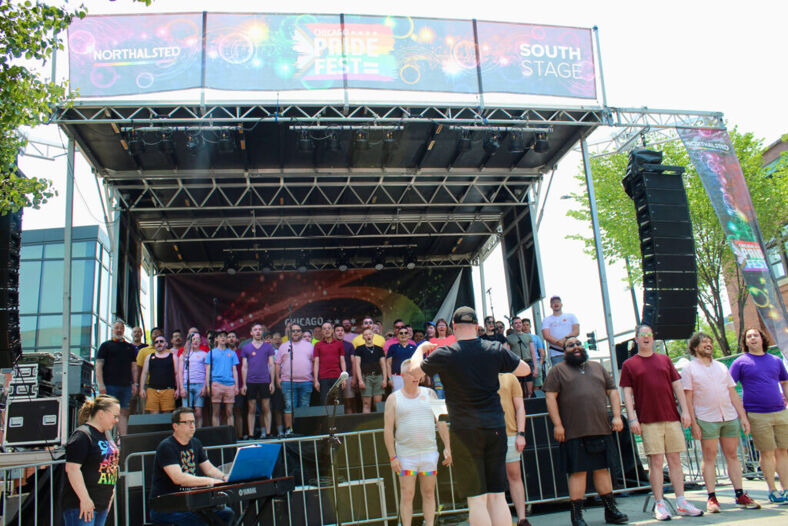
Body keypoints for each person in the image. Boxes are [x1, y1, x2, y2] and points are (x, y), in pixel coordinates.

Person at [410, 306, 531, 526]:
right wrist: (497, 365)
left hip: (465, 431)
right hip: (494, 426)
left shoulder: (444, 353)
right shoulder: (494, 348)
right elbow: (524, 370)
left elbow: (414, 372)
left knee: (476, 499)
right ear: (476, 326)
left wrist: (420, 349)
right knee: (497, 496)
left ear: (453, 327)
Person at [620, 324, 702, 520]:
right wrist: (632, 418)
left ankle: (681, 501)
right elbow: (627, 393)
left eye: (650, 334)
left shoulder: (665, 360)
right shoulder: (629, 365)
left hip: (672, 418)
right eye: (643, 335)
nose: (647, 337)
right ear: (636, 339)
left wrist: (685, 412)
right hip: (648, 421)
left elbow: (677, 386)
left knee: (675, 460)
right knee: (656, 462)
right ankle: (659, 503)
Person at [544, 337, 628, 526]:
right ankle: (577, 516)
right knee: (578, 472)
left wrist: (616, 415)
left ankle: (611, 511)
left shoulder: (597, 367)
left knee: (602, 470)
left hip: (600, 428)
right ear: (564, 351)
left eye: (578, 343)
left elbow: (613, 391)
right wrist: (558, 425)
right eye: (570, 345)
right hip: (573, 431)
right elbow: (550, 398)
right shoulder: (557, 371)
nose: (576, 347)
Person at [681, 332, 760, 512]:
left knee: (733, 455)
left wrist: (743, 417)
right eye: (703, 342)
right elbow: (688, 398)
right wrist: (694, 423)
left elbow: (732, 393)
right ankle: (712, 497)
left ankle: (740, 494)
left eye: (710, 342)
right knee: (709, 457)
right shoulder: (689, 369)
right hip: (706, 418)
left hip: (729, 416)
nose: (708, 345)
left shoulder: (721, 367)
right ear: (695, 347)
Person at [384, 359, 452, 526]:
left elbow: (442, 422)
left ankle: (429, 523)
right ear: (402, 375)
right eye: (411, 373)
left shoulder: (431, 394)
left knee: (429, 493)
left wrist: (448, 448)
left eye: (417, 373)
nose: (415, 377)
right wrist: (393, 457)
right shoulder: (393, 399)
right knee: (407, 494)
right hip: (406, 456)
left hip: (429, 454)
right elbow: (387, 430)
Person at [730, 327, 788, 503]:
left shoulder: (776, 361)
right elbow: (730, 388)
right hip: (757, 414)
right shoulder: (740, 362)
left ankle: (786, 489)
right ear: (745, 342)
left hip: (780, 412)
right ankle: (772, 490)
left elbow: (785, 382)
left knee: (783, 452)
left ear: (762, 339)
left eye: (755, 335)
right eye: (749, 336)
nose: (753, 338)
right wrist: (743, 416)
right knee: (767, 452)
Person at [148, 407, 234, 526]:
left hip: (190, 504)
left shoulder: (196, 443)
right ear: (175, 426)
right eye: (187, 422)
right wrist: (211, 481)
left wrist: (224, 477)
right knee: (200, 521)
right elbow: (179, 478)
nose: (192, 425)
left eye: (193, 422)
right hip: (166, 507)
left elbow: (209, 469)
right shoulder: (166, 446)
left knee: (226, 514)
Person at [62, 395, 121, 526]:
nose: (116, 420)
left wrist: (109, 498)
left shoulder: (105, 435)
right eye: (114, 416)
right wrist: (85, 499)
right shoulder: (82, 435)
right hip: (82, 506)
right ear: (101, 414)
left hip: (101, 504)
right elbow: (72, 468)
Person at [497, 372, 530, 526]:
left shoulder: (509, 377)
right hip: (487, 435)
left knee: (514, 476)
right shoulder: (478, 373)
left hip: (510, 433)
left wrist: (521, 433)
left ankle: (522, 519)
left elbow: (520, 407)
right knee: (494, 480)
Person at [95, 320, 138, 436]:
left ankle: (123, 442)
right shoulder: (105, 346)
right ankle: (108, 441)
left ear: (124, 330)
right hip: (109, 385)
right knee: (107, 412)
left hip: (125, 386)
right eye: (117, 328)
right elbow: (98, 365)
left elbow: (134, 367)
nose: (119, 330)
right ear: (112, 329)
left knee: (123, 413)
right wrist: (101, 384)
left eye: (121, 328)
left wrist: (135, 384)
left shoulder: (129, 347)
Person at [275, 323, 314, 433]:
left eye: (298, 330)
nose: (296, 333)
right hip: (287, 382)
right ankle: (289, 430)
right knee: (289, 407)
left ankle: (303, 430)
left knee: (304, 408)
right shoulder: (283, 346)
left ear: (301, 332)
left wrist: (315, 378)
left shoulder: (309, 346)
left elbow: (315, 362)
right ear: (289, 333)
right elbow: (277, 363)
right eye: (293, 331)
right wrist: (277, 378)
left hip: (306, 382)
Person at [241, 322, 276, 439]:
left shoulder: (268, 347)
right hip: (251, 381)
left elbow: (271, 365)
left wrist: (272, 382)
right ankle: (251, 434)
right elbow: (244, 367)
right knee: (252, 408)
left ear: (262, 332)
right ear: (251, 332)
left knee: (266, 407)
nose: (258, 331)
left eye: (260, 330)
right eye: (255, 330)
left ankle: (268, 432)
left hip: (264, 381)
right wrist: (244, 384)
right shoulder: (246, 348)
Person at [205, 330, 240, 427]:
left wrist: (236, 386)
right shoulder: (211, 353)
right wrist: (208, 386)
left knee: (229, 412)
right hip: (216, 384)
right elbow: (207, 370)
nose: (223, 338)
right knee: (216, 412)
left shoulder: (232, 353)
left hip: (230, 384)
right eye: (220, 336)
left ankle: (231, 435)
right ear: (216, 339)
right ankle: (216, 435)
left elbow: (235, 371)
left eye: (225, 336)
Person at [139, 335, 179, 414]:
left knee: (167, 416)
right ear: (154, 345)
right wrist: (141, 389)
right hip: (152, 390)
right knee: (153, 417)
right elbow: (144, 373)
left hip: (168, 390)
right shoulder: (149, 357)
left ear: (166, 344)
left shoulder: (173, 356)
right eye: (156, 342)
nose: (159, 343)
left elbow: (177, 373)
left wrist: (178, 389)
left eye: (161, 341)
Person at [313, 321, 347, 405]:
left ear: (332, 330)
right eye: (324, 329)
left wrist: (344, 378)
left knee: (338, 403)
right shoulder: (318, 345)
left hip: (337, 377)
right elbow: (316, 363)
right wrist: (316, 380)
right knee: (325, 403)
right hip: (323, 378)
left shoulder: (339, 344)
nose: (327, 330)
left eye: (329, 328)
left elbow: (342, 361)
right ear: (322, 332)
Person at [178, 332, 207, 427]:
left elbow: (207, 372)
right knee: (186, 411)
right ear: (189, 341)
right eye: (193, 339)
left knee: (198, 412)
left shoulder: (204, 354)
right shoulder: (184, 355)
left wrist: (204, 386)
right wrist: (181, 388)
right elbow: (180, 372)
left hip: (200, 384)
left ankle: (199, 433)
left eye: (198, 339)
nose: (195, 341)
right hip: (187, 384)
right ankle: (187, 431)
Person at [355, 327, 387, 413]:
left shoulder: (379, 349)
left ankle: (379, 424)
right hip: (366, 377)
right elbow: (357, 365)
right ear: (363, 337)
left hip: (378, 377)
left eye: (369, 334)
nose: (368, 336)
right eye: (365, 335)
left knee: (378, 404)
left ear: (373, 335)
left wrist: (384, 379)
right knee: (366, 404)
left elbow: (383, 365)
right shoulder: (359, 349)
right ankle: (366, 425)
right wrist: (360, 380)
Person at [541, 296, 579, 366]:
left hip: (572, 351)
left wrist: (566, 341)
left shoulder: (571, 316)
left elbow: (576, 331)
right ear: (550, 306)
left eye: (558, 302)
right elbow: (546, 336)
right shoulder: (547, 320)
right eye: (553, 303)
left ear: (561, 304)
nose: (556, 304)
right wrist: (561, 344)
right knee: (560, 375)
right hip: (556, 353)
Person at [507, 317, 538, 398]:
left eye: (520, 323)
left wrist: (535, 368)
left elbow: (533, 352)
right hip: (517, 364)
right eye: (516, 323)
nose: (518, 325)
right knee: (519, 391)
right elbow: (508, 354)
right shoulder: (509, 338)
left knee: (529, 390)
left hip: (528, 363)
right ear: (512, 325)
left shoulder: (528, 336)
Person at [335, 324, 358, 414]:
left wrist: (354, 378)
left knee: (349, 403)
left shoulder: (349, 345)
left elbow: (353, 362)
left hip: (348, 376)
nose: (340, 332)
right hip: (335, 377)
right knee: (337, 404)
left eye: (342, 330)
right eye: (337, 330)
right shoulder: (332, 345)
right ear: (334, 332)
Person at [227, 330, 246, 439]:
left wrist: (243, 385)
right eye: (229, 337)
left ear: (237, 339)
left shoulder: (241, 352)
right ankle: (229, 436)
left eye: (233, 337)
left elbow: (244, 368)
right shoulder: (223, 352)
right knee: (228, 411)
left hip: (239, 385)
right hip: (226, 385)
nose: (231, 339)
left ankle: (240, 435)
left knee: (238, 410)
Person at [388, 326, 417, 392]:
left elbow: (417, 364)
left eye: (405, 333)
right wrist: (390, 378)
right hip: (396, 377)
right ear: (397, 336)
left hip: (410, 377)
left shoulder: (414, 348)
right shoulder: (392, 348)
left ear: (408, 335)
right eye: (401, 333)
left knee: (410, 398)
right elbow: (388, 364)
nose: (403, 335)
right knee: (398, 399)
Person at [523, 319, 546, 393]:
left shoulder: (536, 337)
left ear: (530, 326)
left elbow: (542, 352)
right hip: (525, 363)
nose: (526, 327)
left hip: (536, 362)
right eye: (524, 325)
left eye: (527, 325)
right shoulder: (520, 338)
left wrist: (540, 364)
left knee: (537, 385)